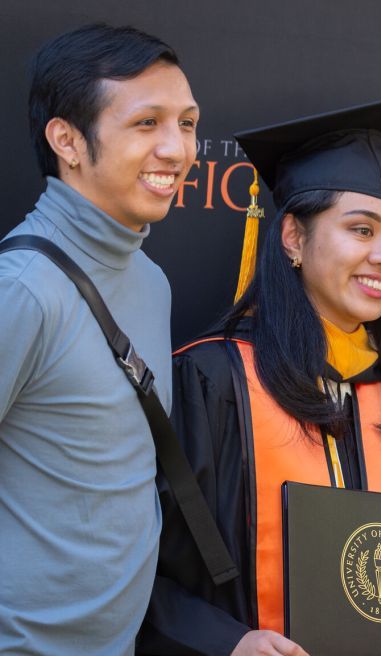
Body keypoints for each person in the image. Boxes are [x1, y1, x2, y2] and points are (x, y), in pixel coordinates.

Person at [138, 97, 381, 656]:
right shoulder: (213, 381)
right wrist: (227, 644)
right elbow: (132, 572)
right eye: (361, 229)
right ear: (293, 237)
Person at [0, 24, 198, 654]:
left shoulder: (152, 279)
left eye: (188, 123)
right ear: (67, 141)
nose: (178, 148)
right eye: (147, 123)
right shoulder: (22, 290)